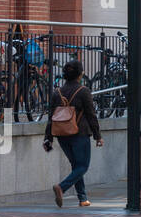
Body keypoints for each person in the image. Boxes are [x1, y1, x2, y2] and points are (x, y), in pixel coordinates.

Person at [42, 59, 103, 208]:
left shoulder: (57, 93)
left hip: (62, 135)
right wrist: (98, 136)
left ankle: (82, 198)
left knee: (76, 165)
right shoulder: (83, 91)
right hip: (79, 134)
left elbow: (51, 118)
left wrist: (47, 138)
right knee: (83, 166)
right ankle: (61, 187)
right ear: (80, 74)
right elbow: (91, 115)